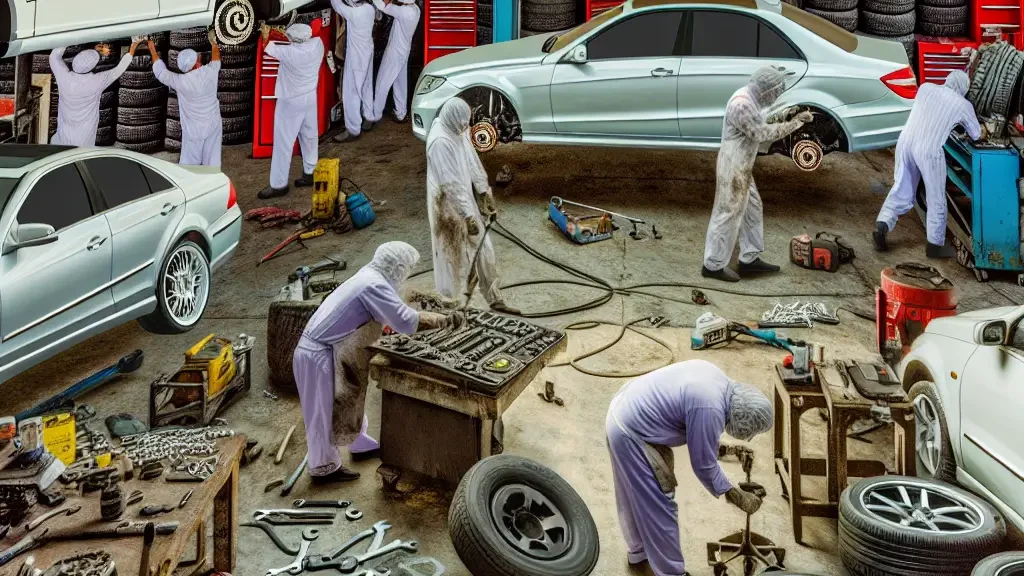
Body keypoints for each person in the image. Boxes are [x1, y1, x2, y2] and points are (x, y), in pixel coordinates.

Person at [293, 242, 453, 482]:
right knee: (321, 414)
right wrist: (444, 320)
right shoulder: (373, 284)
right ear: (397, 267)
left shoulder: (369, 275)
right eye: (406, 268)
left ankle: (359, 443)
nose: (406, 273)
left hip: (331, 347)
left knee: (351, 397)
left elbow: (382, 315)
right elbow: (406, 321)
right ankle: (324, 469)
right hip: (316, 354)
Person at [606, 359, 773, 576]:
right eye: (751, 431)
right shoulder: (710, 406)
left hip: (623, 410)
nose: (749, 437)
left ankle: (638, 554)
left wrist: (725, 450)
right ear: (742, 419)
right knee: (659, 505)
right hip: (631, 432)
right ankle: (672, 573)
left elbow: (699, 432)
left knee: (633, 496)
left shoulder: (718, 381)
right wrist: (739, 497)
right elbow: (704, 465)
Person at [702, 66, 812, 282]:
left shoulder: (752, 97)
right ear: (765, 89)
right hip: (733, 166)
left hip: (742, 165)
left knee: (752, 208)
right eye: (776, 91)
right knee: (728, 213)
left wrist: (786, 113)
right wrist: (795, 123)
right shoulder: (742, 104)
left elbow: (764, 117)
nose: (777, 95)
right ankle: (712, 265)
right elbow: (762, 133)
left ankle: (749, 259)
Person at [873, 70, 981, 258]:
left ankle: (882, 226)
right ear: (964, 88)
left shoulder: (925, 88)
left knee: (901, 188)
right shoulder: (963, 104)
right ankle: (934, 246)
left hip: (906, 142)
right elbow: (976, 134)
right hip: (929, 151)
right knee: (936, 198)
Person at [426, 97, 519, 314]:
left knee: (483, 247)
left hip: (463, 198)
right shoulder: (439, 141)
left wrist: (484, 191)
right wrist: (467, 216)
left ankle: (494, 297)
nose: (465, 129)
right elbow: (450, 184)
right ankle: (451, 304)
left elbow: (471, 160)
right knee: (451, 254)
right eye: (462, 126)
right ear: (452, 121)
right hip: (445, 204)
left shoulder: (459, 126)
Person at [258, 23, 324, 200]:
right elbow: (313, 32)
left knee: (283, 142)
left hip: (290, 101)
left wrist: (266, 33)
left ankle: (278, 184)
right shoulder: (317, 44)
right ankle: (310, 172)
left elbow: (267, 47)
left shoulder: (289, 52)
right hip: (310, 97)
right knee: (309, 135)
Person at [149, 35, 222, 167]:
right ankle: (212, 183)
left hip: (193, 131)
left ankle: (192, 185)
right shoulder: (210, 71)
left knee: (190, 167)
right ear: (197, 61)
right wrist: (214, 43)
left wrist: (152, 49)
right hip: (213, 125)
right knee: (212, 164)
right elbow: (216, 58)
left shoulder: (180, 81)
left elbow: (160, 72)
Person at [50, 41, 140, 146]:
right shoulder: (96, 81)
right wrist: (134, 45)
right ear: (93, 67)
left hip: (62, 138)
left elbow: (54, 56)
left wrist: (71, 37)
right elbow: (119, 69)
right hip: (84, 141)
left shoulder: (63, 76)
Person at [368, 0, 420, 125]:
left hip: (395, 53)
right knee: (400, 82)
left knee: (382, 82)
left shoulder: (403, 12)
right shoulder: (415, 9)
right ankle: (401, 113)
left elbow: (382, 6)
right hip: (404, 51)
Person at [331, 0, 376, 142]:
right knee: (366, 86)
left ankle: (353, 129)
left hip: (357, 57)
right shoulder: (370, 9)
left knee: (351, 91)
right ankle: (368, 116)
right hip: (368, 51)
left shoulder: (354, 13)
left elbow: (337, 4)